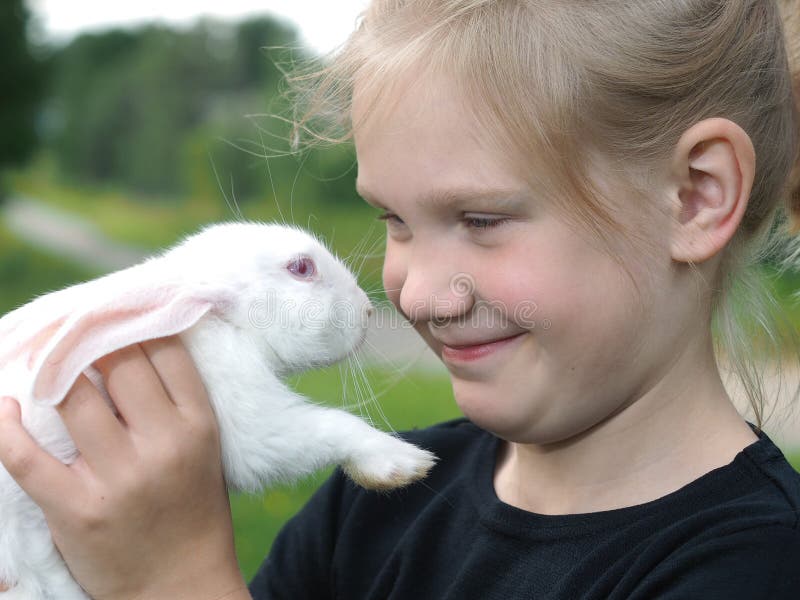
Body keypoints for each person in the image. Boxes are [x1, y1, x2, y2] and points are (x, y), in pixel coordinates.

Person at [2, 0, 800, 598]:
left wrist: (174, 582)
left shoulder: (752, 567)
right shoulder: (380, 500)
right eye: (395, 220)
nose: (416, 293)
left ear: (694, 195)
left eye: (480, 219)